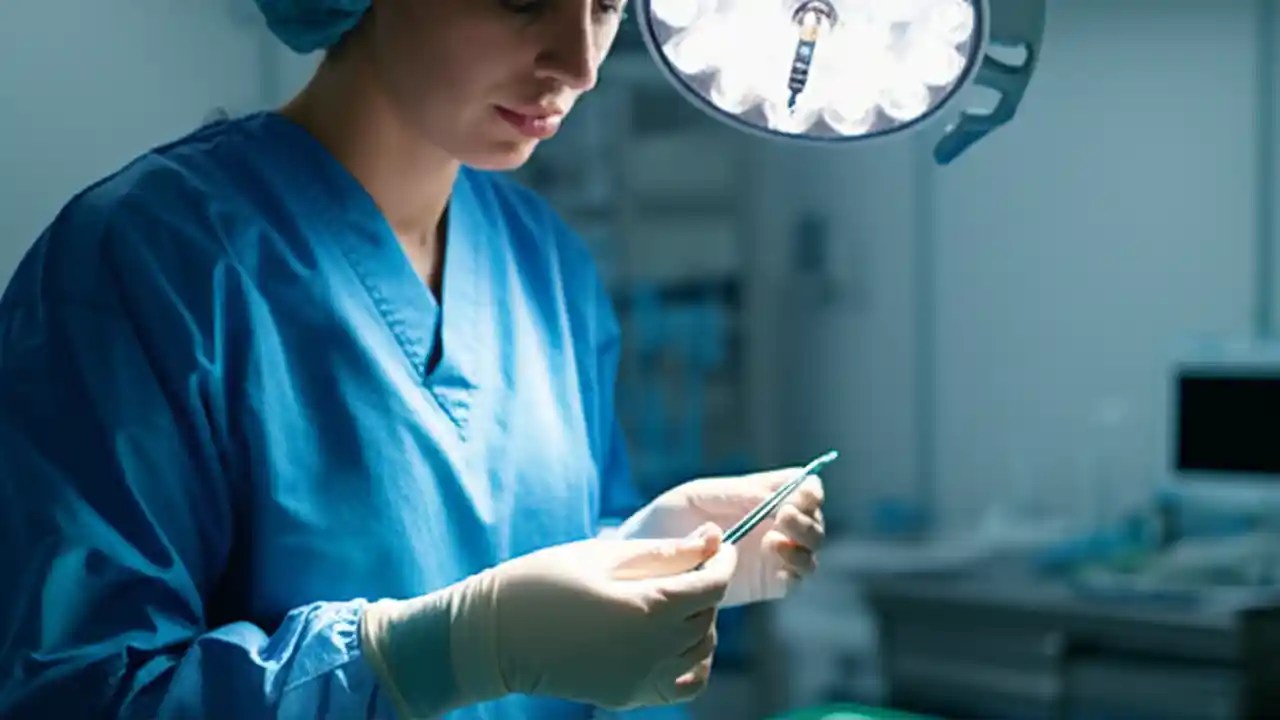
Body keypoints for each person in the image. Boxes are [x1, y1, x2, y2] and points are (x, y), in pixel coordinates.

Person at [0, 0, 827, 718]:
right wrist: (434, 653)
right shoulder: (147, 264)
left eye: (606, 4)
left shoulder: (544, 266)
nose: (579, 65)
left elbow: (536, 567)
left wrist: (649, 555)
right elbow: (80, 693)